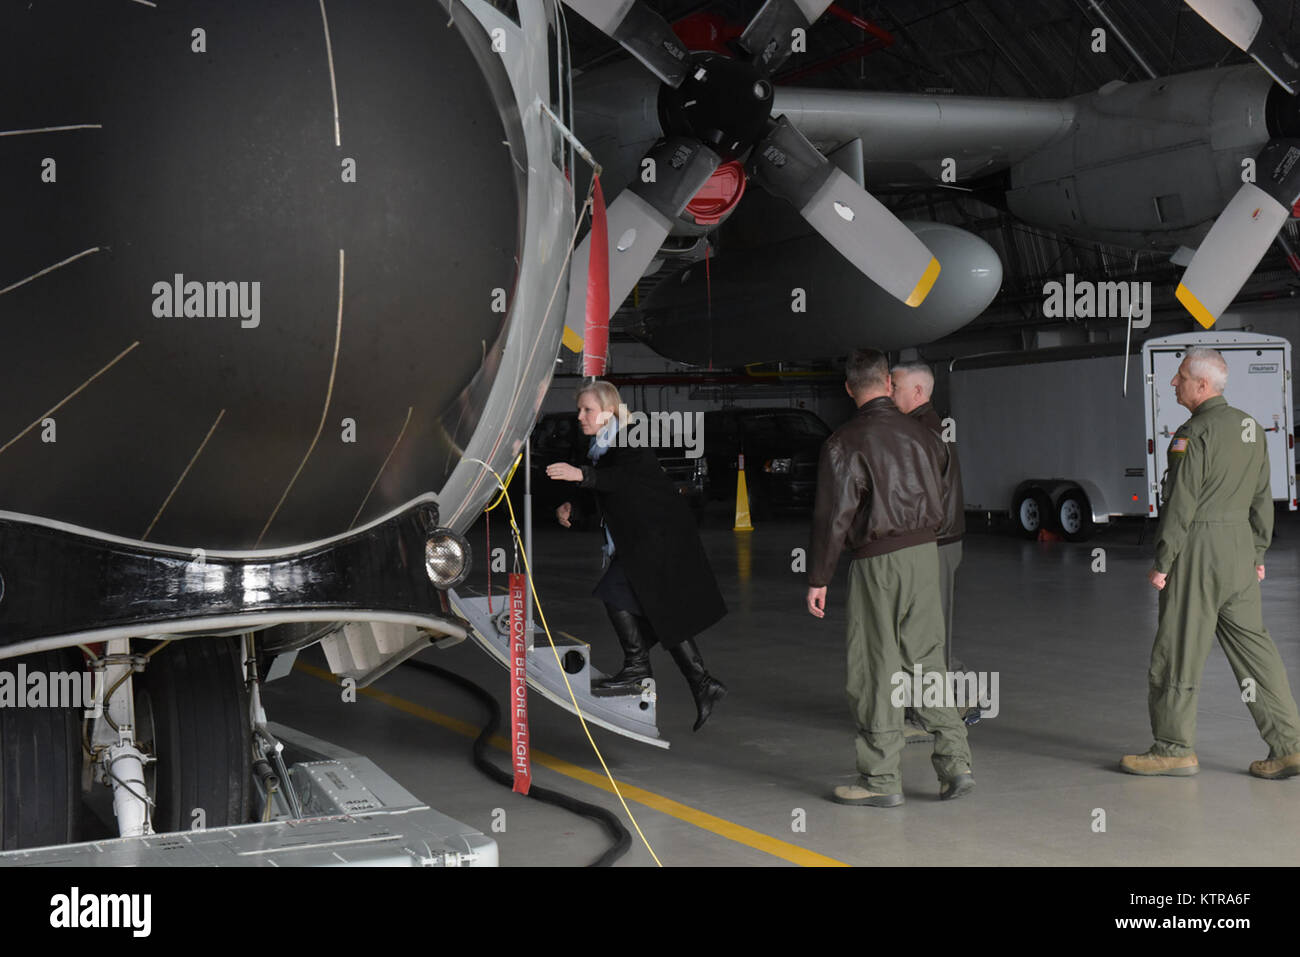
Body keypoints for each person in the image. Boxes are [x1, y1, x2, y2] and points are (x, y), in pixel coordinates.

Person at [1122, 347, 1300, 778]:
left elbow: (1181, 505)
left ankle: (1172, 747)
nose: (1173, 384)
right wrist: (1257, 552)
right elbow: (1263, 495)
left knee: (1179, 648)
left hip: (1198, 550)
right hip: (1239, 549)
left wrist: (1164, 561)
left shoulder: (1192, 434)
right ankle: (1289, 745)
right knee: (1256, 652)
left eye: (1180, 377)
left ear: (1202, 385)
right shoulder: (1251, 427)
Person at [807, 348, 974, 807]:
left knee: (875, 666)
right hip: (925, 554)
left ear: (848, 388)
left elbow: (833, 516)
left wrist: (818, 576)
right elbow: (945, 494)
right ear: (885, 382)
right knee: (928, 662)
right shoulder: (925, 435)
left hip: (877, 561)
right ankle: (955, 764)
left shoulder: (843, 442)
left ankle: (880, 781)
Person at [547, 380, 728, 731]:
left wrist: (581, 475)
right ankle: (702, 683)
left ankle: (639, 668)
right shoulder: (600, 447)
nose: (580, 416)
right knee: (658, 611)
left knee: (617, 594)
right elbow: (608, 494)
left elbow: (621, 479)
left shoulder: (630, 437)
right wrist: (574, 506)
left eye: (587, 410)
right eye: (579, 409)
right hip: (641, 538)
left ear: (608, 412)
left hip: (660, 536)